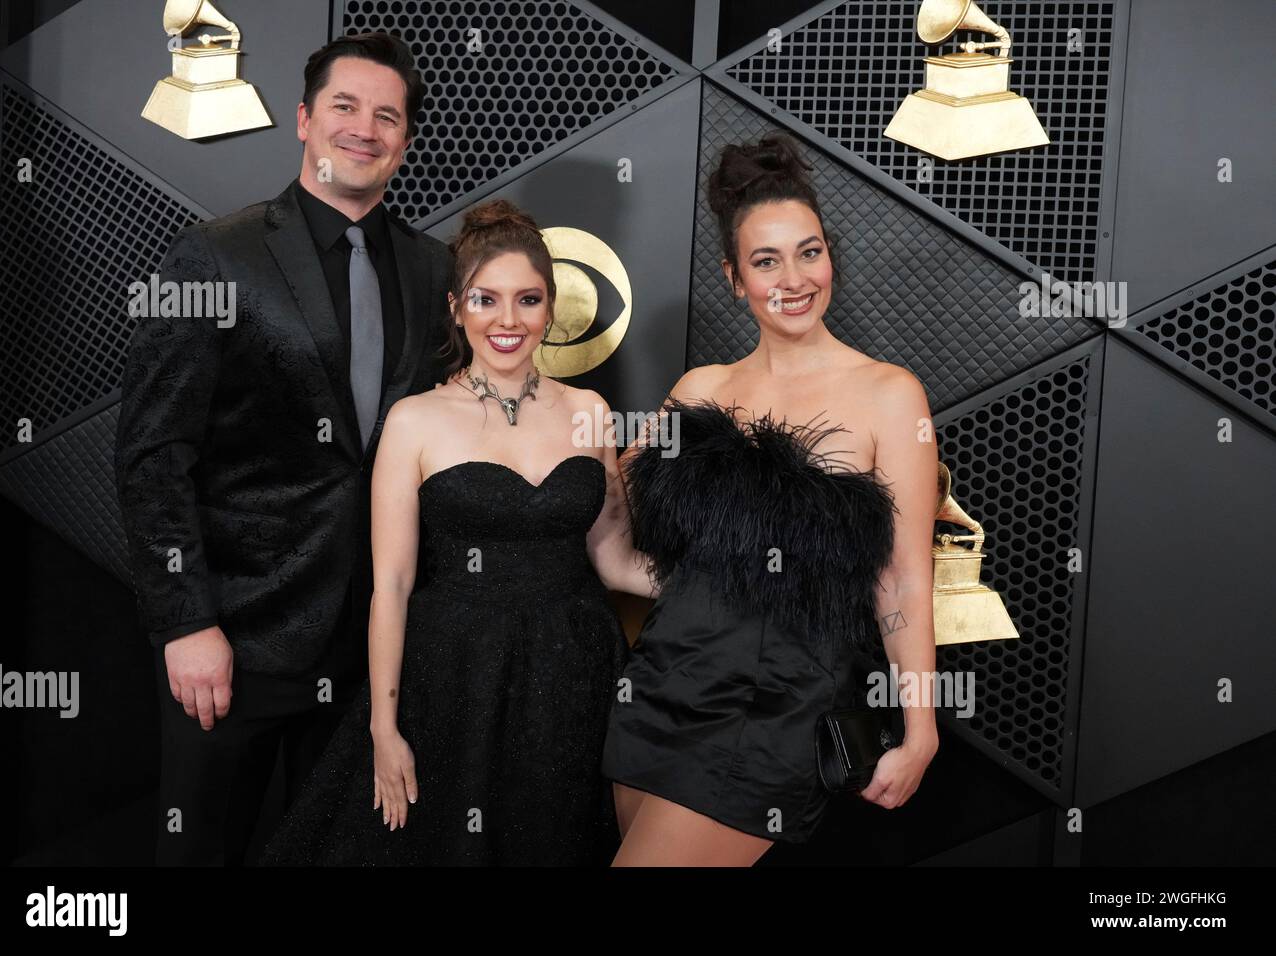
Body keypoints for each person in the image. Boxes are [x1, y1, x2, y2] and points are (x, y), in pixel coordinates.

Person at [114, 32, 453, 865]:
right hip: (237, 639)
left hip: (373, 650)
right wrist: (185, 619)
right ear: (303, 119)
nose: (363, 129)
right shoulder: (216, 253)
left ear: (406, 140)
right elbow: (154, 451)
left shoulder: (436, 269)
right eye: (345, 106)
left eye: (387, 115)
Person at [259, 198, 654, 866]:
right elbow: (391, 584)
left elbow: (615, 559)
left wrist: (724, 582)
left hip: (576, 672)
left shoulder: (590, 411)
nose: (508, 320)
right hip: (453, 676)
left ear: (551, 309)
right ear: (455, 306)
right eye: (486, 299)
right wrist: (385, 729)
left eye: (527, 299)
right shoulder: (414, 421)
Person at [601, 133, 941, 866]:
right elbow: (618, 538)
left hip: (778, 706)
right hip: (659, 690)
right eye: (766, 260)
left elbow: (904, 578)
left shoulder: (890, 394)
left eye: (809, 251)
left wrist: (922, 728)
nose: (794, 277)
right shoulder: (700, 391)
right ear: (733, 277)